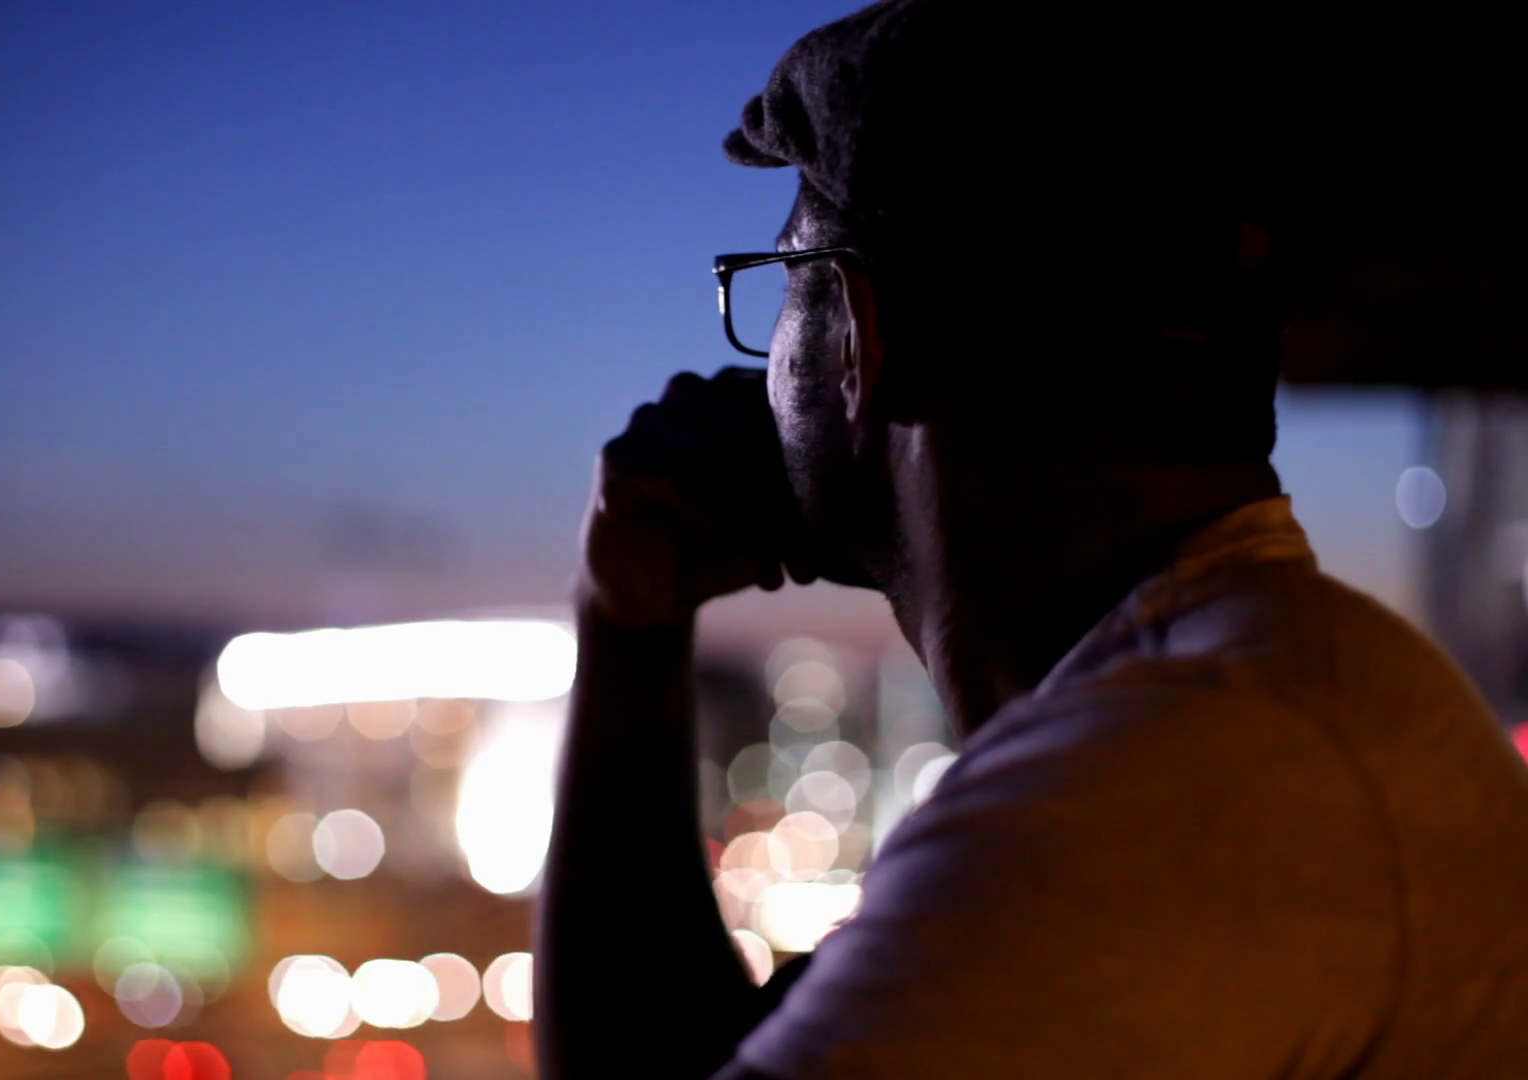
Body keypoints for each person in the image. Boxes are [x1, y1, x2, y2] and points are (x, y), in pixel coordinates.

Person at [533, 0, 1528, 1077]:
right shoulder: (1261, 704)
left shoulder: (1167, 791)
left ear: (861, 338)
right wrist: (629, 625)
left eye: (783, 286)